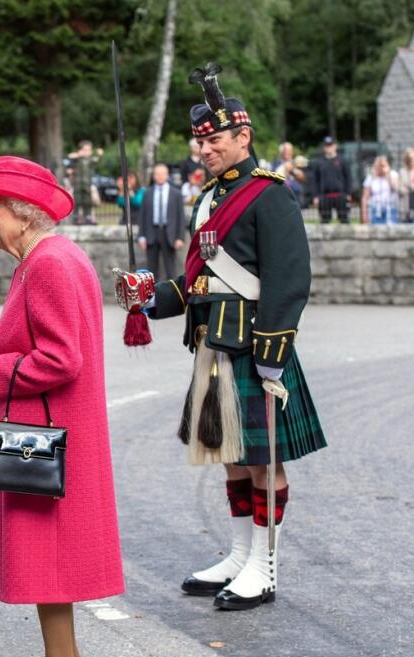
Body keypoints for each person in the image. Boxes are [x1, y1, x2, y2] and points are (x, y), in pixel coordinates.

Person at [147, 65, 326, 611]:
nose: (205, 150)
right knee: (230, 455)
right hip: (212, 342)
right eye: (200, 141)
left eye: (215, 140)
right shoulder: (208, 197)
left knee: (263, 460)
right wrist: (151, 298)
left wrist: (273, 353)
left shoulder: (268, 195)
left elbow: (289, 278)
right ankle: (239, 554)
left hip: (253, 345)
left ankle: (264, 569)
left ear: (243, 137)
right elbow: (199, 278)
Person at [0, 155, 124, 657]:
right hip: (52, 428)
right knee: (49, 556)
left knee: (47, 557)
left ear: (25, 214)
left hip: (46, 433)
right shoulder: (48, 257)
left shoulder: (49, 262)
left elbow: (61, 357)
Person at [139, 163, 187, 281]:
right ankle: (152, 297)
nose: (160, 176)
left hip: (169, 233)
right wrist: (141, 236)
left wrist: (180, 237)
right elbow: (142, 215)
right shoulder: (148, 193)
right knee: (151, 270)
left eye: (163, 174)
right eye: (157, 174)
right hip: (152, 232)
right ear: (154, 176)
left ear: (167, 175)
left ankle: (171, 296)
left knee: (171, 269)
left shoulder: (176, 193)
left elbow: (181, 216)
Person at [312, 136, 351, 223]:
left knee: (344, 219)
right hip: (325, 196)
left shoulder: (342, 160)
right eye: (327, 146)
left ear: (335, 146)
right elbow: (315, 181)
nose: (329, 148)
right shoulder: (319, 163)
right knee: (324, 220)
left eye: (330, 145)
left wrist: (348, 193)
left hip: (340, 194)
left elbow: (348, 178)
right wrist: (316, 196)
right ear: (324, 147)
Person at [67, 140, 102, 225]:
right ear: (80, 150)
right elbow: (69, 157)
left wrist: (98, 154)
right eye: (85, 150)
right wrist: (78, 155)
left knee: (87, 201)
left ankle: (88, 216)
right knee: (77, 200)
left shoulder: (90, 160)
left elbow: (96, 160)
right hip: (77, 184)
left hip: (87, 184)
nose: (87, 152)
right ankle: (75, 217)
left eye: (89, 150)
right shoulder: (76, 159)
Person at [361, 155, 399, 225]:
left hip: (390, 208)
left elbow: (395, 189)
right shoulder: (370, 177)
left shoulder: (393, 174)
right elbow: (365, 197)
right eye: (379, 166)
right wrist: (364, 214)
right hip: (375, 209)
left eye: (383, 165)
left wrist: (387, 175)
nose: (381, 168)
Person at [272, 142, 305, 207]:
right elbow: (273, 177)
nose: (287, 152)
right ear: (281, 152)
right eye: (285, 150)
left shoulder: (296, 163)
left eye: (289, 150)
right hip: (281, 196)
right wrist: (284, 166)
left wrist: (292, 171)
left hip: (296, 196)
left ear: (292, 152)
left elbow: (302, 178)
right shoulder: (276, 164)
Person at [398, 148, 414, 223]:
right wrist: (413, 188)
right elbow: (400, 189)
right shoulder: (402, 171)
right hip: (404, 207)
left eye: (412, 158)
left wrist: (410, 187)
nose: (410, 161)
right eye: (408, 158)